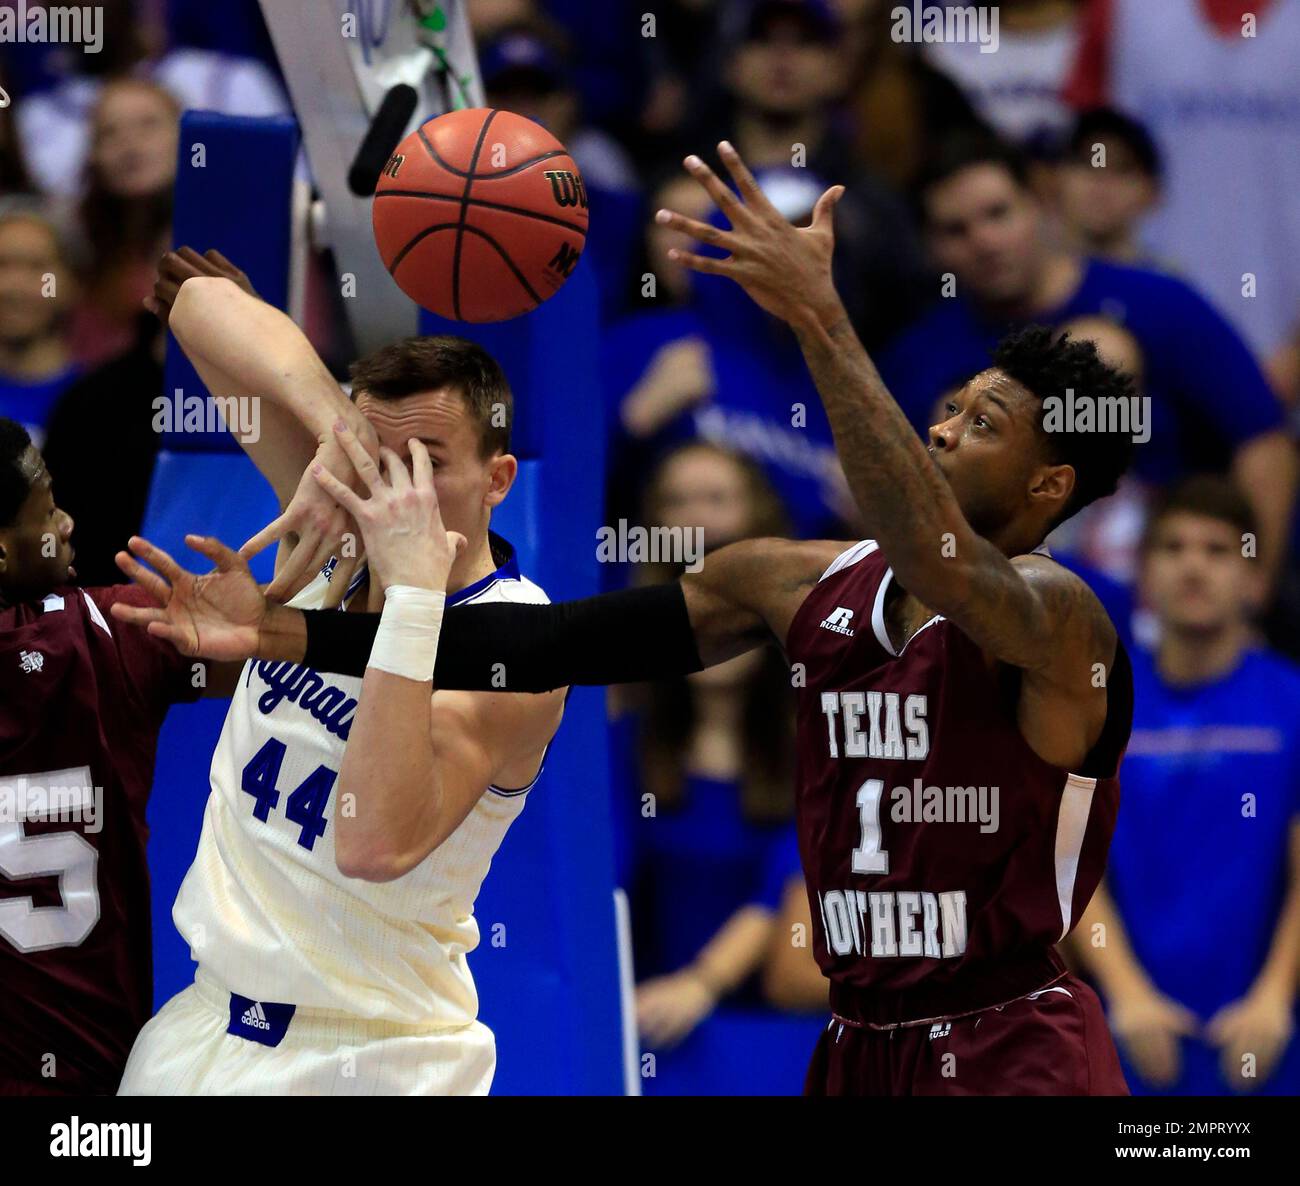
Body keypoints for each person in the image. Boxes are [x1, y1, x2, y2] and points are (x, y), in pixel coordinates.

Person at [119, 143, 1139, 1096]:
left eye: (983, 424)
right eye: (951, 406)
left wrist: (818, 320)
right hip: (858, 1034)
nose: (945, 428)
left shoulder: (1059, 623)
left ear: (1051, 483)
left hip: (1007, 1035)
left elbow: (940, 560)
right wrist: (281, 632)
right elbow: (538, 647)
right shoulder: (789, 580)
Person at [110, 265, 566, 1096]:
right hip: (201, 1025)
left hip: (372, 1056)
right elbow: (197, 308)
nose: (390, 492)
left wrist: (416, 593)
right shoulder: (332, 532)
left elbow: (374, 844)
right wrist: (334, 433)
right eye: (373, 461)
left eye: (422, 464)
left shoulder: (513, 646)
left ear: (497, 481)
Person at [877, 135, 1296, 595]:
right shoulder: (919, 353)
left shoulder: (1159, 302)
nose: (984, 241)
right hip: (1003, 597)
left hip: (1168, 594)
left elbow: (1264, 447)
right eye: (956, 230)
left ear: (1039, 203)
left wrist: (1252, 594)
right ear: (930, 247)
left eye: (998, 214)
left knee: (1101, 345)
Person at [1070, 477, 1300, 1095]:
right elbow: (1069, 865)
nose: (1193, 565)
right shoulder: (1099, 707)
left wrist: (1274, 997)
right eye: (1172, 548)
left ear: (1255, 580)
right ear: (1143, 576)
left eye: (1218, 550)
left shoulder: (1293, 703)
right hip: (1130, 1036)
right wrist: (1127, 994)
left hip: (1269, 1037)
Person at [0, 417, 202, 1095]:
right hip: (93, 1083)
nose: (68, 520)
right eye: (49, 508)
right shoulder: (108, 633)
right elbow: (272, 648)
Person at [614, 443, 798, 1054]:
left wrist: (701, 983)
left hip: (773, 1035)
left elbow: (786, 885)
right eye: (694, 613)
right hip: (641, 1026)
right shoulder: (625, 743)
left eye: (734, 617)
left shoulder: (817, 745)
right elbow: (603, 882)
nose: (713, 636)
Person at [0, 203, 83, 444]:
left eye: (37, 267)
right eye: (2, 265)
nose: (15, 287)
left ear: (71, 282)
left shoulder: (98, 401)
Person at [1055, 107, 1163, 266]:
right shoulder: (1021, 282)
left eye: (1122, 169)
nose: (1102, 184)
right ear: (1056, 178)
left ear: (1151, 192)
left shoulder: (1167, 287)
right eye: (1089, 164)